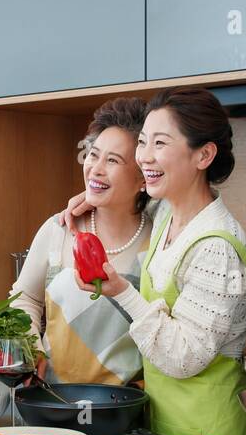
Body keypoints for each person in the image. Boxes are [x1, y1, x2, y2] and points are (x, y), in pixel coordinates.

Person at [64, 89, 246, 435]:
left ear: (203, 154)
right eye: (142, 142)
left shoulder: (215, 246)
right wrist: (91, 197)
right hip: (167, 429)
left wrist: (122, 291)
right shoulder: (168, 215)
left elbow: (183, 356)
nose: (144, 157)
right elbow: (129, 200)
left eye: (160, 143)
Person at [11, 97, 149, 385]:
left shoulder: (160, 238)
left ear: (142, 178)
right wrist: (29, 347)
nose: (95, 169)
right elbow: (25, 298)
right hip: (50, 399)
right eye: (93, 155)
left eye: (112, 160)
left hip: (128, 408)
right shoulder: (58, 228)